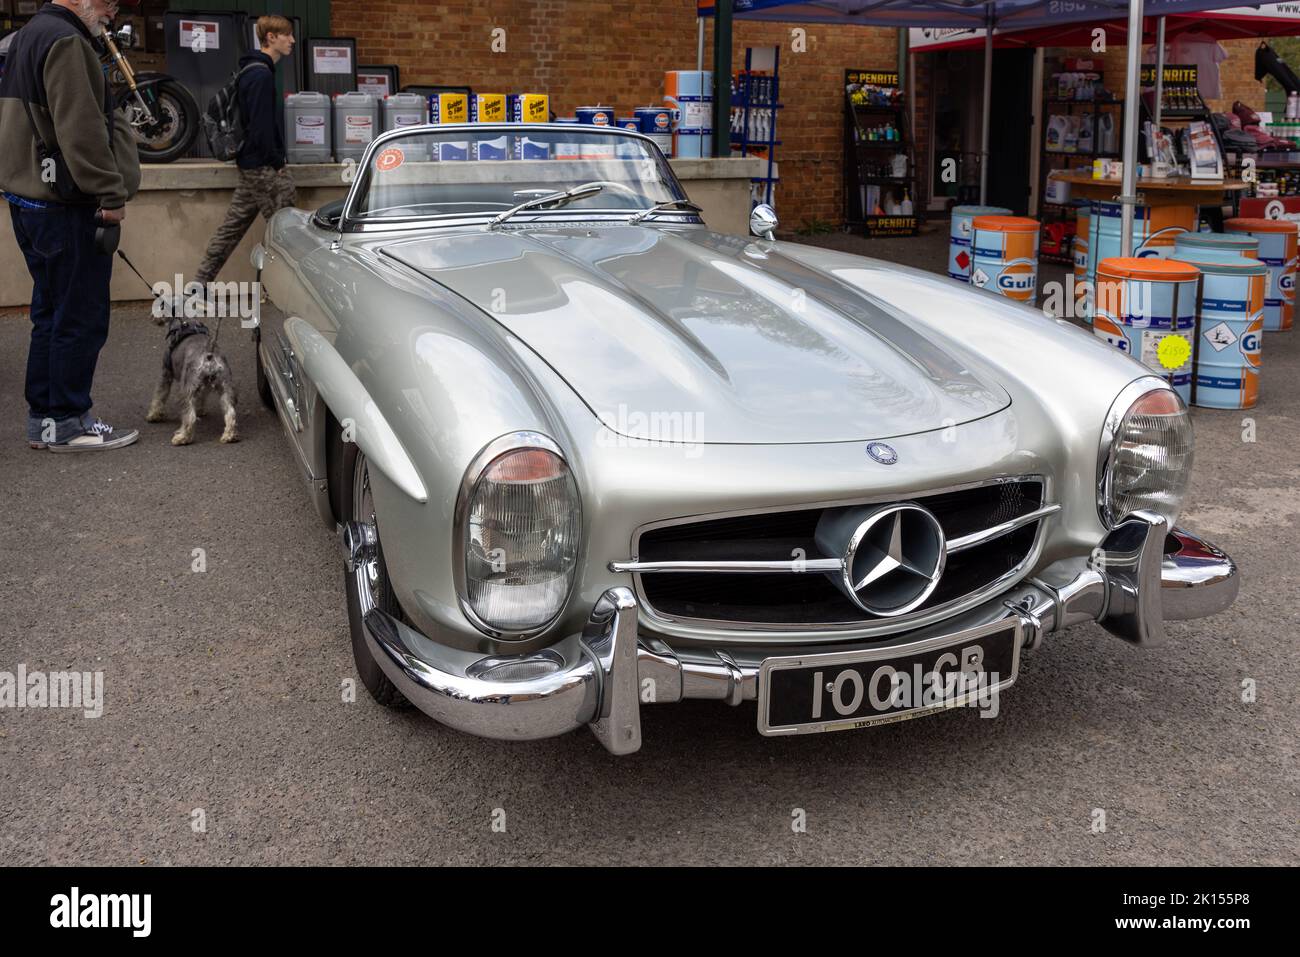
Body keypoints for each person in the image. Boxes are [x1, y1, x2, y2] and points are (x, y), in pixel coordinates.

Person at [0, 0, 142, 451]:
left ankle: (46, 422)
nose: (113, 12)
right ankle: (67, 422)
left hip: (32, 199)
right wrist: (111, 195)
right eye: (109, 3)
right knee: (79, 316)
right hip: (66, 205)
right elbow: (80, 130)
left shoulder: (29, 34)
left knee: (51, 313)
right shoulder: (66, 40)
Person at [193, 15, 296, 288]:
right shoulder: (260, 75)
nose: (292, 40)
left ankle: (198, 285)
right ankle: (299, 294)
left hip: (251, 165)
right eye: (287, 35)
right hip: (263, 168)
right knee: (290, 233)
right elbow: (261, 128)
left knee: (231, 230)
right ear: (271, 37)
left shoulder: (251, 70)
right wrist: (278, 162)